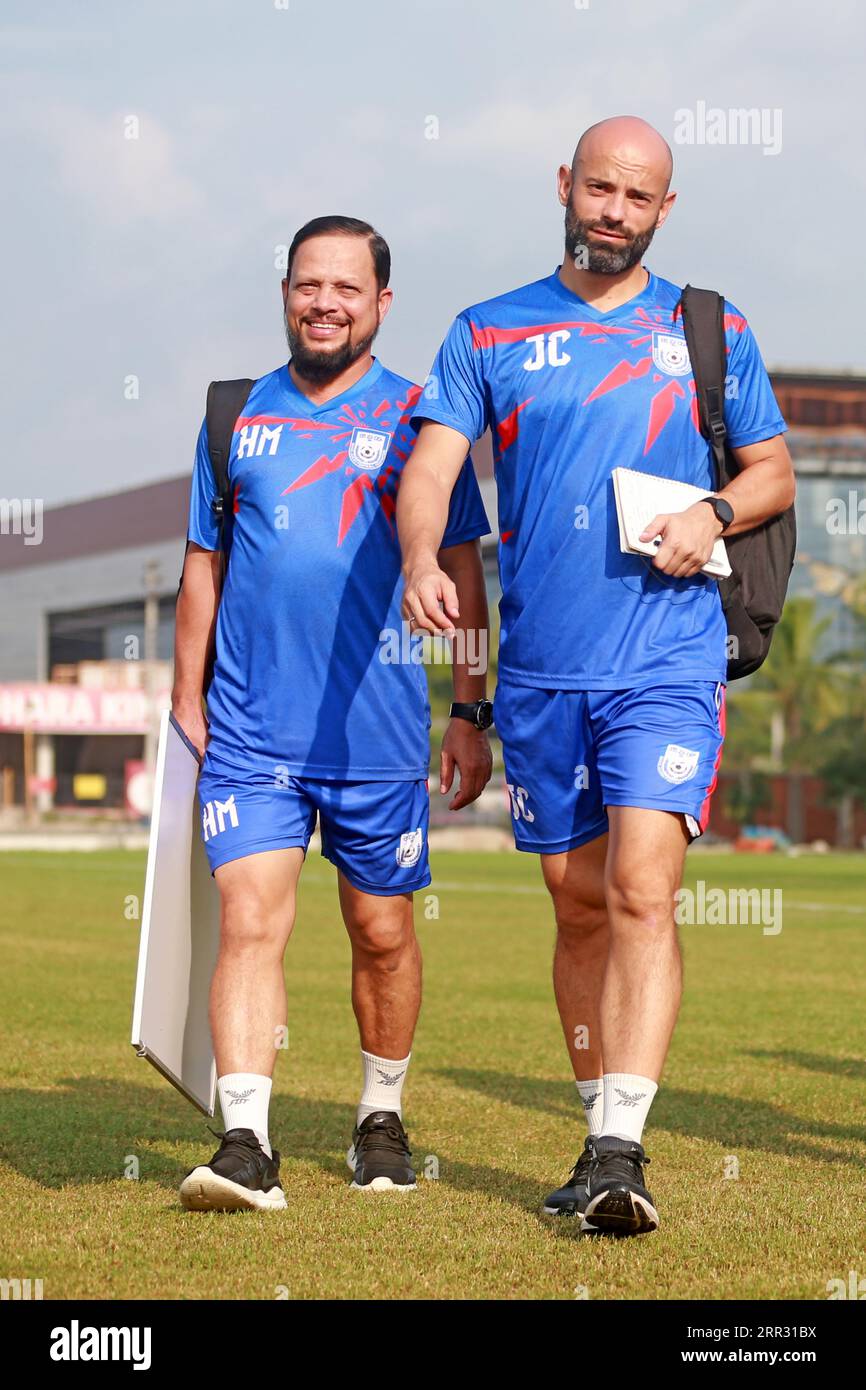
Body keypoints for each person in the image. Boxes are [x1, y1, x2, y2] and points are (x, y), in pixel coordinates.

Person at [397, 117, 795, 1234]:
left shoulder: (705, 328)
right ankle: (595, 1134)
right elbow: (430, 468)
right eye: (598, 188)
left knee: (636, 890)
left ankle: (620, 1148)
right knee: (574, 905)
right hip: (537, 673)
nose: (613, 210)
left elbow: (769, 471)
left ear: (664, 209)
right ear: (563, 184)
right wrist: (424, 558)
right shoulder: (487, 330)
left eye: (637, 196)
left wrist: (710, 508)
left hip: (665, 660)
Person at [172, 215, 492, 1211]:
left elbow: (463, 572)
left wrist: (469, 707)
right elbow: (203, 565)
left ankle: (378, 1117)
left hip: (377, 735)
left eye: (346, 288)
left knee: (381, 931)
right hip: (252, 729)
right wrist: (185, 696)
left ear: (380, 303)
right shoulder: (235, 414)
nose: (324, 302)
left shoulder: (421, 418)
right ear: (285, 294)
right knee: (249, 921)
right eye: (307, 284)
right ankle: (244, 1141)